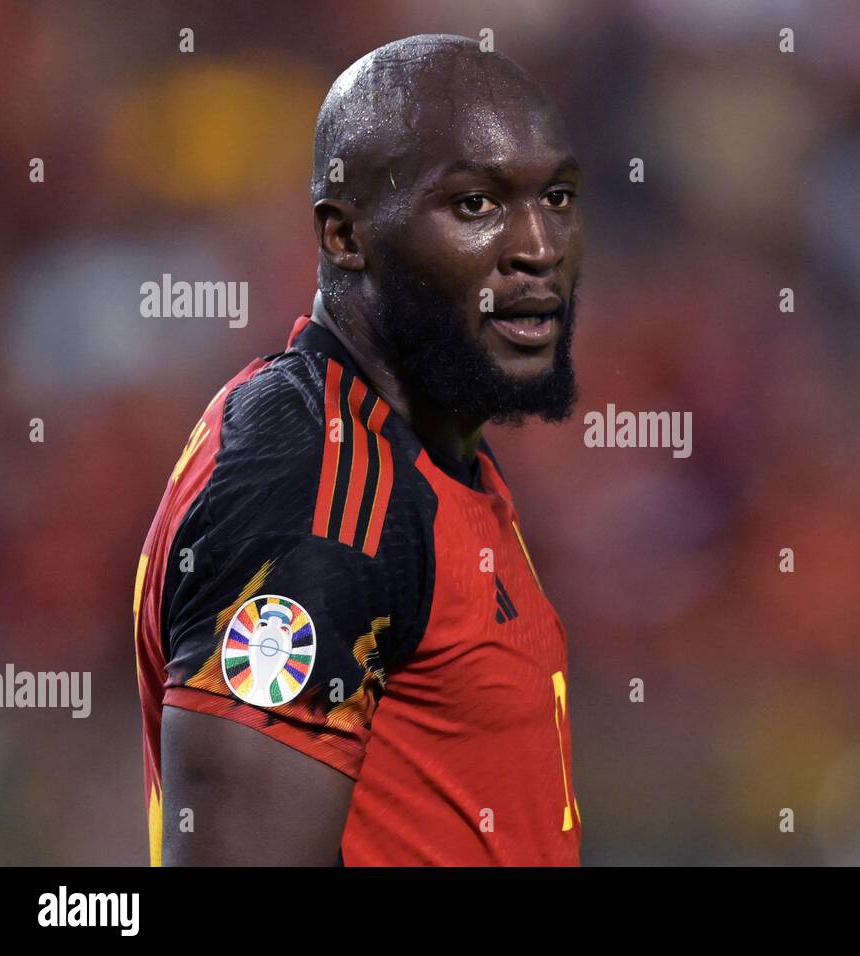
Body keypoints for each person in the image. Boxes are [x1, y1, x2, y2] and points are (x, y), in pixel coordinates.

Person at [133, 33, 585, 865]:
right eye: (476, 205)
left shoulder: (434, 457)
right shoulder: (316, 483)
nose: (539, 248)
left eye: (555, 197)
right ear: (346, 237)